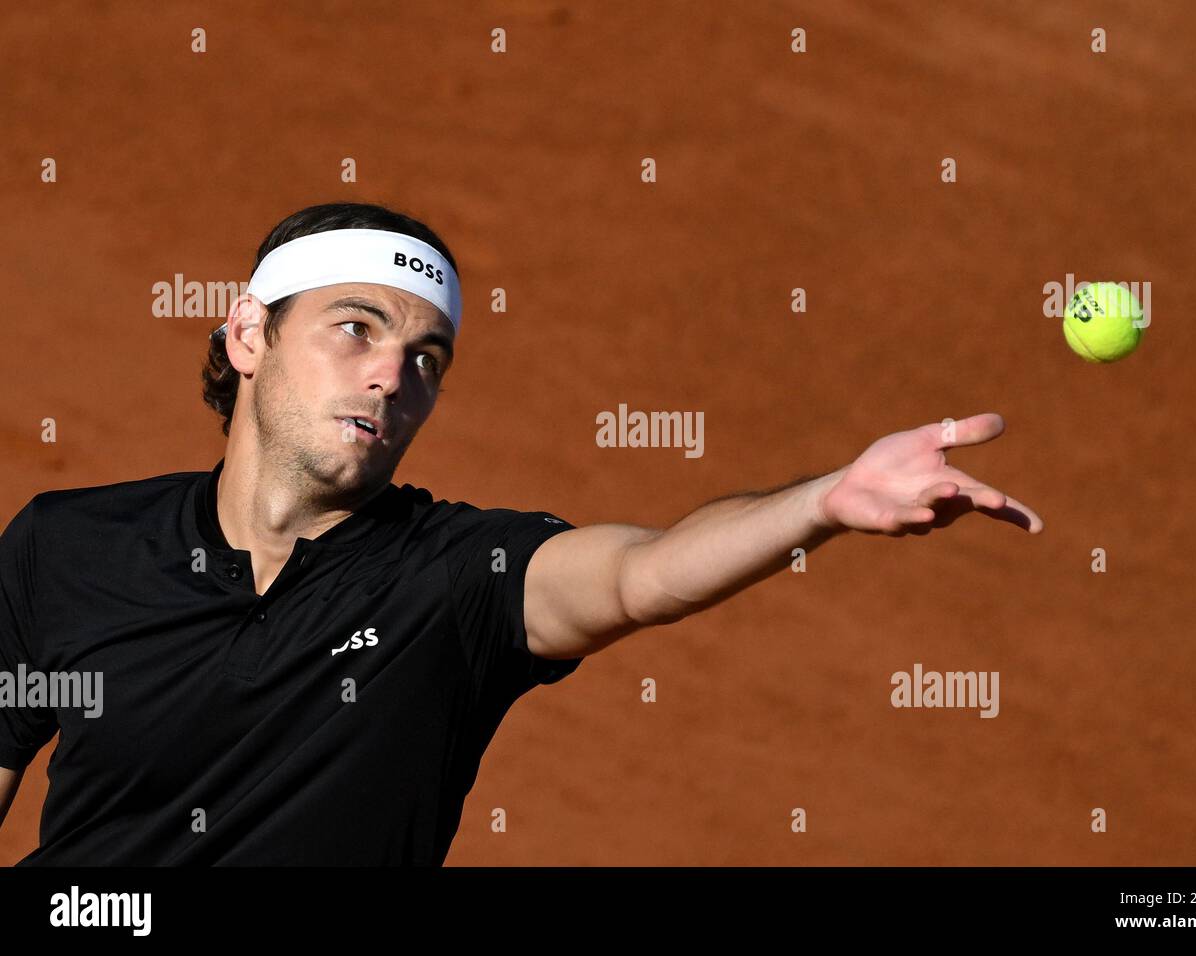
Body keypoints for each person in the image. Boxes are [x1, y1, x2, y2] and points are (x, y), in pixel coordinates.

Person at [0, 201, 1043, 865]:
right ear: (248, 334)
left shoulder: (452, 579)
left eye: (428, 357)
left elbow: (639, 573)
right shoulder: (68, 544)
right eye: (355, 326)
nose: (391, 374)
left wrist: (822, 500)